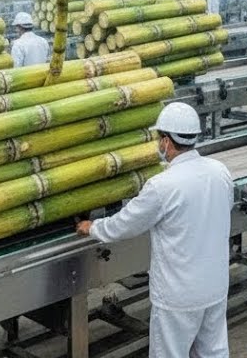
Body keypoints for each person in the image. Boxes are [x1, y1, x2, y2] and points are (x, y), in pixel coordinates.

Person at [77, 103, 234, 358]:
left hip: (178, 296)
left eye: (159, 139)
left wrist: (93, 227)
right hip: (214, 286)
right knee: (213, 352)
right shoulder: (220, 171)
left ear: (166, 142)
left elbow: (125, 224)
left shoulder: (162, 186)